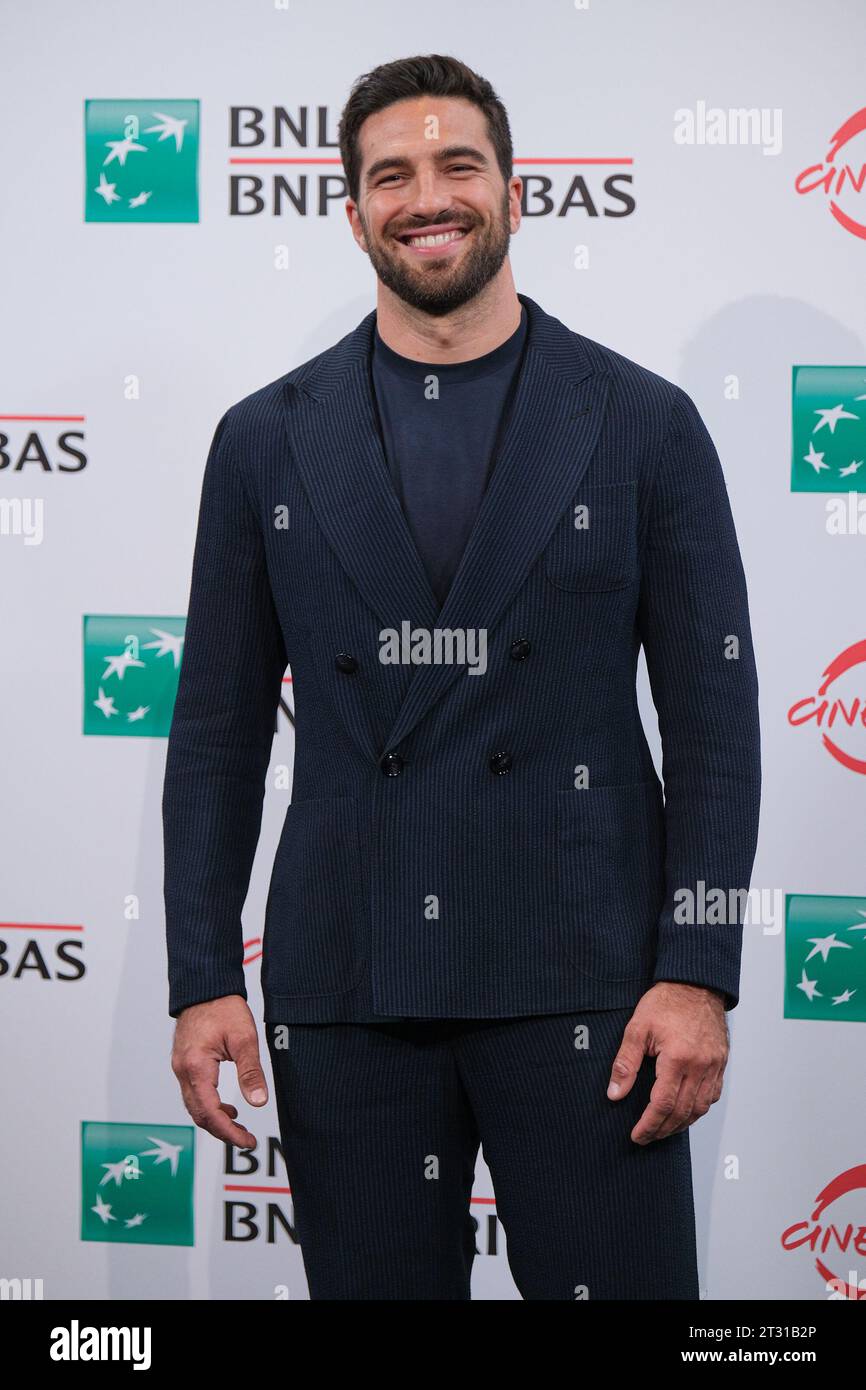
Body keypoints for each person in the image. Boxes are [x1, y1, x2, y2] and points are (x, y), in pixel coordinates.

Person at [163, 53, 761, 1300]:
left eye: (455, 166)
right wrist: (202, 975)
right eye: (390, 174)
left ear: (513, 190)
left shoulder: (643, 423)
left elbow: (713, 724)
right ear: (350, 209)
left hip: (590, 984)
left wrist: (696, 972)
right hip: (350, 982)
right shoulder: (263, 439)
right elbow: (216, 735)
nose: (424, 197)